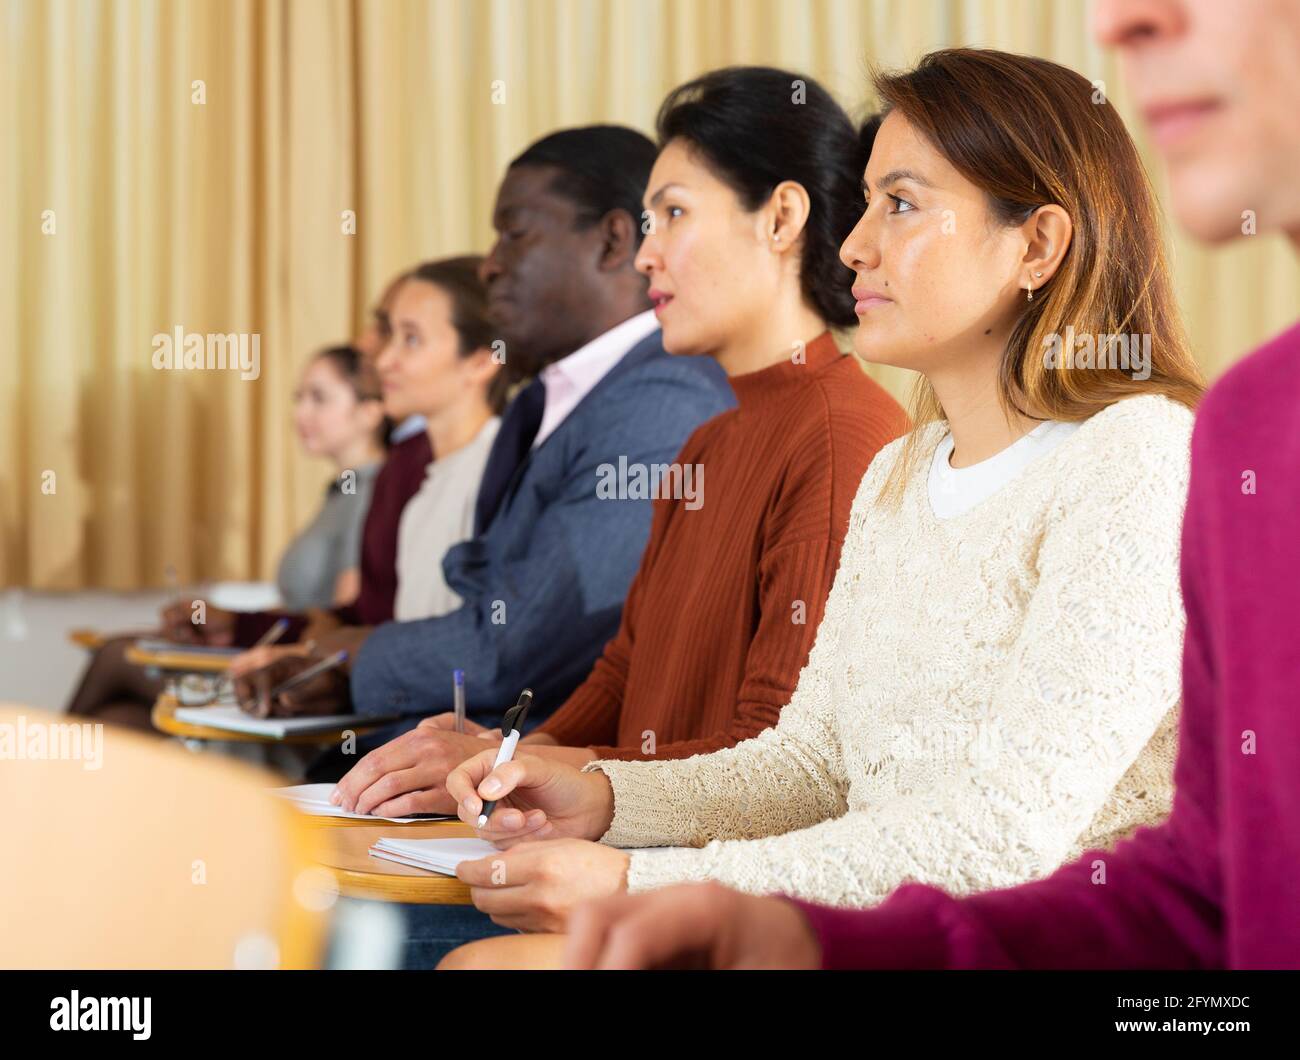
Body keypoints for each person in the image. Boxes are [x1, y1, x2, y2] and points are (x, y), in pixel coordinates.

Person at [562, 0, 1300, 971]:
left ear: (1036, 245)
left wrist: (645, 882)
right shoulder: (896, 476)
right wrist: (606, 800)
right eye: (864, 203)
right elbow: (813, 761)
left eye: (901, 204)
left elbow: (1005, 835)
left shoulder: (1139, 457)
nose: (854, 245)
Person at [331, 69, 908, 962]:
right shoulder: (713, 439)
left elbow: (779, 754)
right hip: (623, 845)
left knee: (347, 936)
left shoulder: (839, 436)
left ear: (782, 220)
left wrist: (576, 784)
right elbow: (623, 673)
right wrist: (505, 754)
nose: (647, 256)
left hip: (694, 889)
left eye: (673, 215)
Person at [230, 126, 736, 741]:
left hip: (544, 770)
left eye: (514, 233)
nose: (492, 264)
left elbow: (522, 642)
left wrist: (350, 658)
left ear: (611, 241)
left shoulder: (661, 397)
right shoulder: (548, 400)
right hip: (477, 749)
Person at [64, 343, 387, 732]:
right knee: (116, 721)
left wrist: (237, 627)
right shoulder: (340, 493)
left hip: (299, 677)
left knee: (115, 656)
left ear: (371, 411)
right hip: (276, 654)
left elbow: (342, 617)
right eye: (298, 398)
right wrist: (227, 623)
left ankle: (31, 777)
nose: (300, 413)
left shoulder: (373, 492)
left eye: (318, 398)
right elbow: (303, 608)